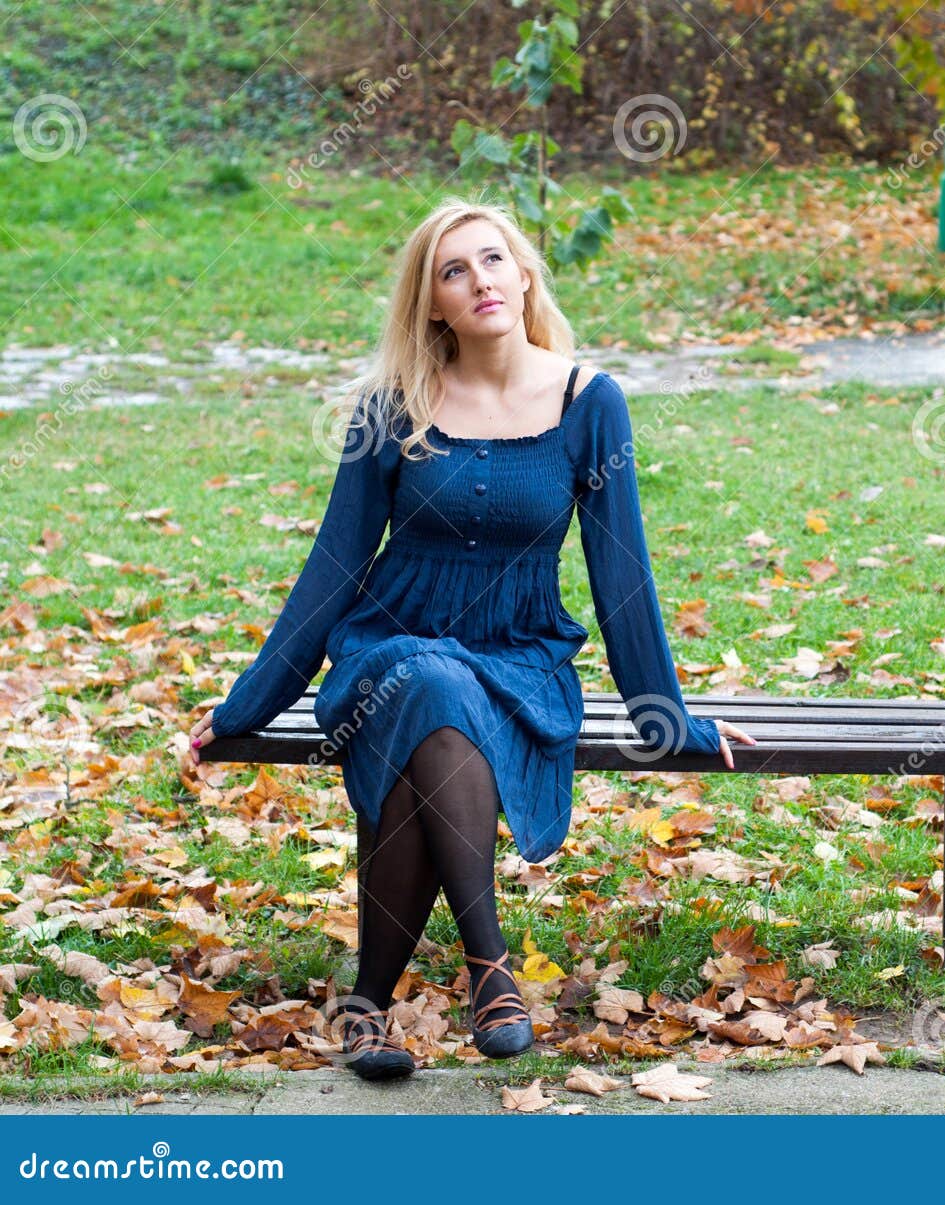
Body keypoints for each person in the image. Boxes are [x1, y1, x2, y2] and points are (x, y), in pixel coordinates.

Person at [185, 198, 755, 1081]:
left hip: (519, 658)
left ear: (524, 275)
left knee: (441, 698)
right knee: (427, 680)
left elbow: (622, 573)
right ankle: (490, 966)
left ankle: (367, 1004)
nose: (480, 279)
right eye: (454, 271)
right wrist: (246, 705)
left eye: (493, 259)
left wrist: (668, 714)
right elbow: (333, 568)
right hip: (388, 648)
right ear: (433, 305)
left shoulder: (588, 402)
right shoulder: (392, 404)